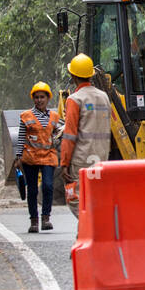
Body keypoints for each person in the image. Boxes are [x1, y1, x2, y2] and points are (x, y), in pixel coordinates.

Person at [59, 53, 112, 218]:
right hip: (101, 158)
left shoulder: (75, 99)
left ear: (73, 75)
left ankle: (88, 233)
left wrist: (64, 163)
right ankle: (89, 235)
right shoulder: (104, 97)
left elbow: (69, 135)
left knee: (75, 199)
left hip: (82, 159)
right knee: (96, 199)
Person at [12, 82, 60, 234]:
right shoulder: (26, 116)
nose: (39, 100)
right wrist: (18, 157)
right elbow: (21, 138)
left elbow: (58, 133)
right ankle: (34, 221)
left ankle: (46, 218)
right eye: (37, 97)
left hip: (48, 157)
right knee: (32, 190)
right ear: (33, 99)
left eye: (42, 97)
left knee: (47, 186)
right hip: (30, 158)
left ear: (48, 98)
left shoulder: (54, 116)